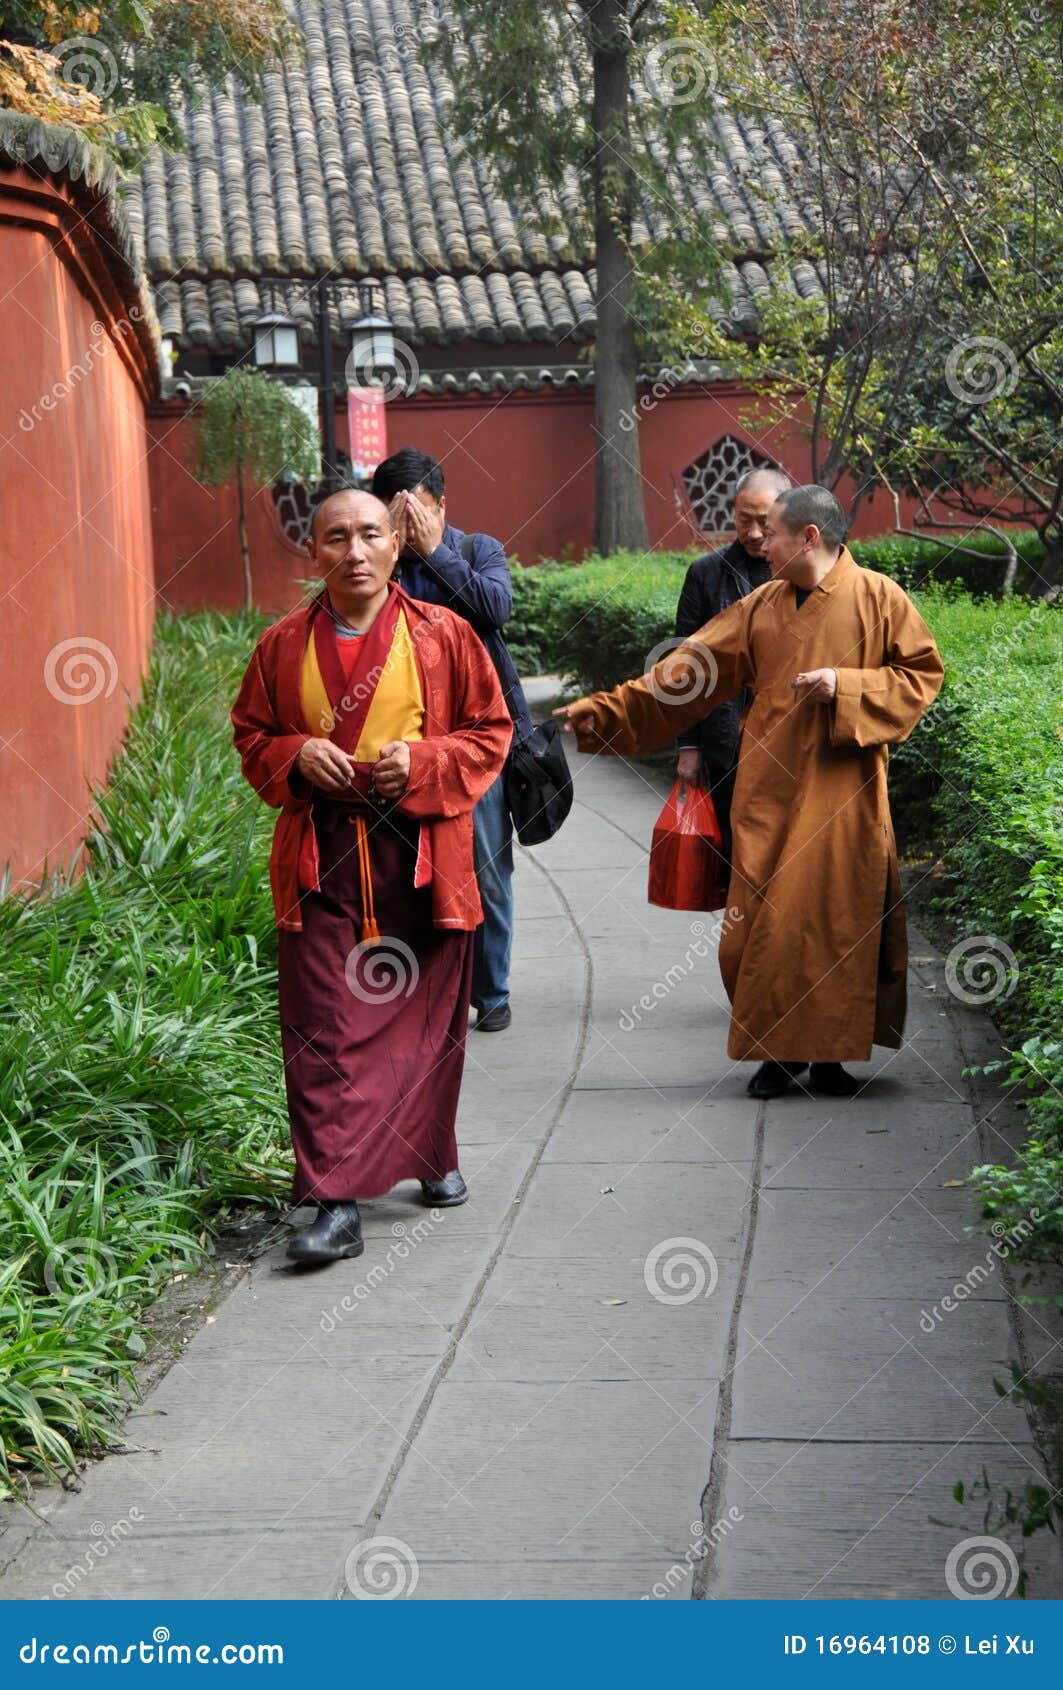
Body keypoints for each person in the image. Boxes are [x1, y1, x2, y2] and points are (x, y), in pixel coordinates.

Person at [555, 485, 943, 1101]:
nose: (762, 545)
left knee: (836, 918)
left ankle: (831, 1058)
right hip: (766, 787)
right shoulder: (762, 605)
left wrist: (844, 684)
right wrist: (607, 712)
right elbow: (689, 668)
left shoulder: (879, 597)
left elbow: (920, 675)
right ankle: (776, 1052)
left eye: (775, 534)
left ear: (809, 538)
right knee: (759, 923)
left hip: (844, 791)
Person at [231, 490, 512, 1265]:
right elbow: (251, 734)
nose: (352, 552)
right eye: (334, 538)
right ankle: (334, 1202)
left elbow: (491, 732)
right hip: (323, 859)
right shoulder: (282, 644)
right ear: (313, 552)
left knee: (423, 1021)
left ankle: (429, 1152)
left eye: (368, 535)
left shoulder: (445, 632)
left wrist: (421, 763)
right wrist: (294, 756)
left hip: (422, 856)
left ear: (398, 543)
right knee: (321, 1027)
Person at [370, 447, 532, 1034]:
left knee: (485, 866)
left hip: (475, 742)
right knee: (408, 872)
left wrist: (435, 552)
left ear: (443, 505)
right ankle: (427, 992)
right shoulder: (377, 559)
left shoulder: (474, 550)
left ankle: (491, 991)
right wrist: (385, 550)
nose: (409, 527)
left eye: (420, 512)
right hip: (399, 748)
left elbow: (494, 610)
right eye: (398, 516)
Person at [674, 467, 792, 866]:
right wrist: (689, 745)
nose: (754, 532)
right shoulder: (706, 574)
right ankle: (741, 929)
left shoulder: (806, 573)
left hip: (792, 743)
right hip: (728, 743)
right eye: (744, 520)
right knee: (735, 859)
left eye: (765, 521)